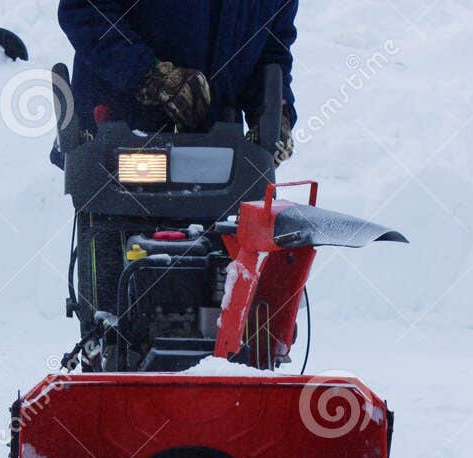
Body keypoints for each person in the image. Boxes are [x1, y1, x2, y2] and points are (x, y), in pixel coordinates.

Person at [57, 0, 298, 357]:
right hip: (121, 135)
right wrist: (151, 76)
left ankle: (228, 373)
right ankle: (107, 357)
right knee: (115, 305)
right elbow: (83, 12)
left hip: (219, 145)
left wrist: (275, 109)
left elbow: (273, 46)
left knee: (221, 285)